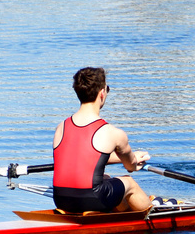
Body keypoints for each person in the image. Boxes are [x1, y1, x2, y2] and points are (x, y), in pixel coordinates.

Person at [53, 67, 152, 213]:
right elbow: (131, 166)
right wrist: (133, 159)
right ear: (102, 93)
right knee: (129, 183)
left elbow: (85, 156)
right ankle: (151, 214)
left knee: (106, 178)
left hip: (60, 198)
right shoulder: (113, 132)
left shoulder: (61, 127)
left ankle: (122, 212)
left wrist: (121, 158)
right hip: (92, 198)